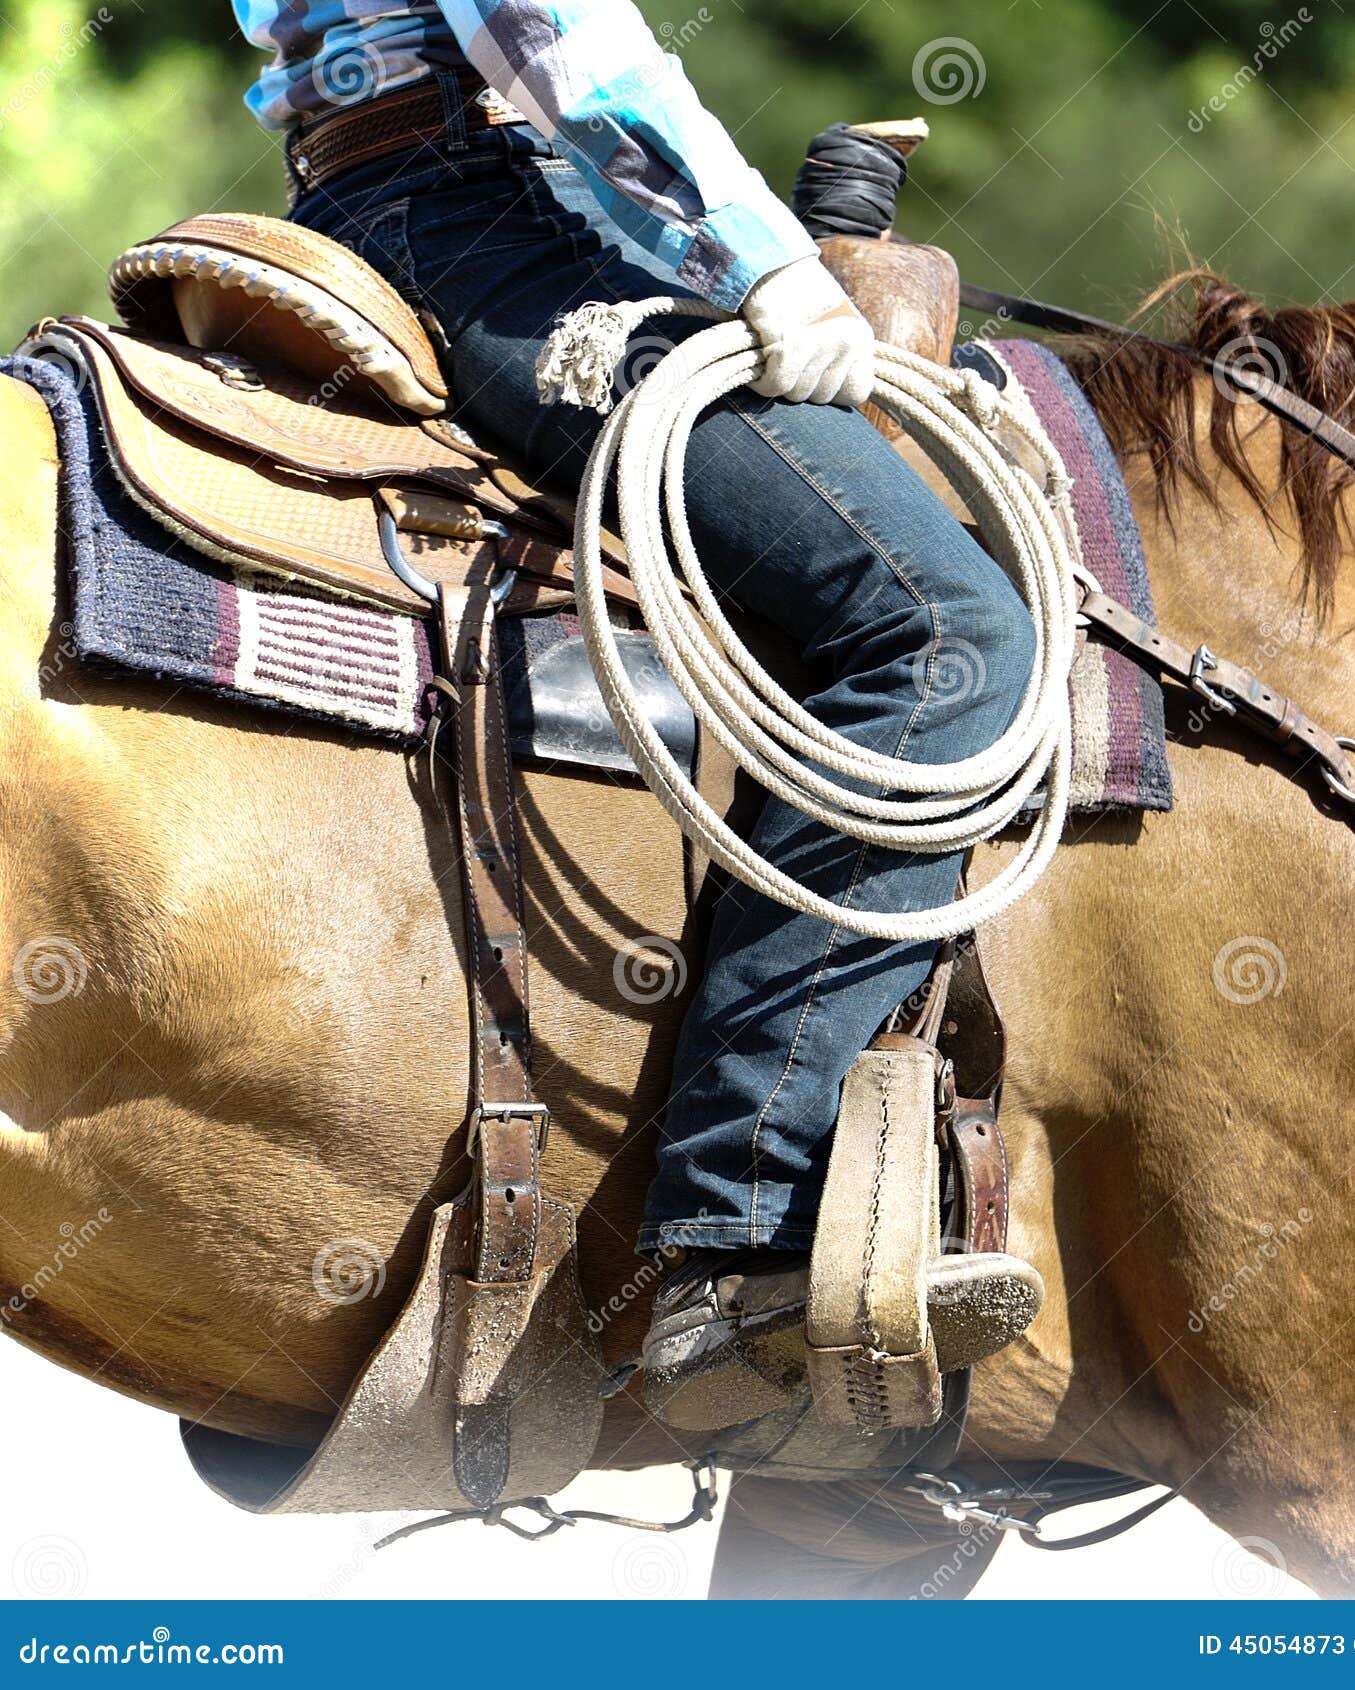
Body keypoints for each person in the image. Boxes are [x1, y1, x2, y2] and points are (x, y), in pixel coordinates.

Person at [233, 0, 1040, 1426]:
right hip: (477, 215)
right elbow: (556, 37)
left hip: (398, 188)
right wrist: (764, 265)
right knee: (950, 630)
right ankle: (736, 1247)